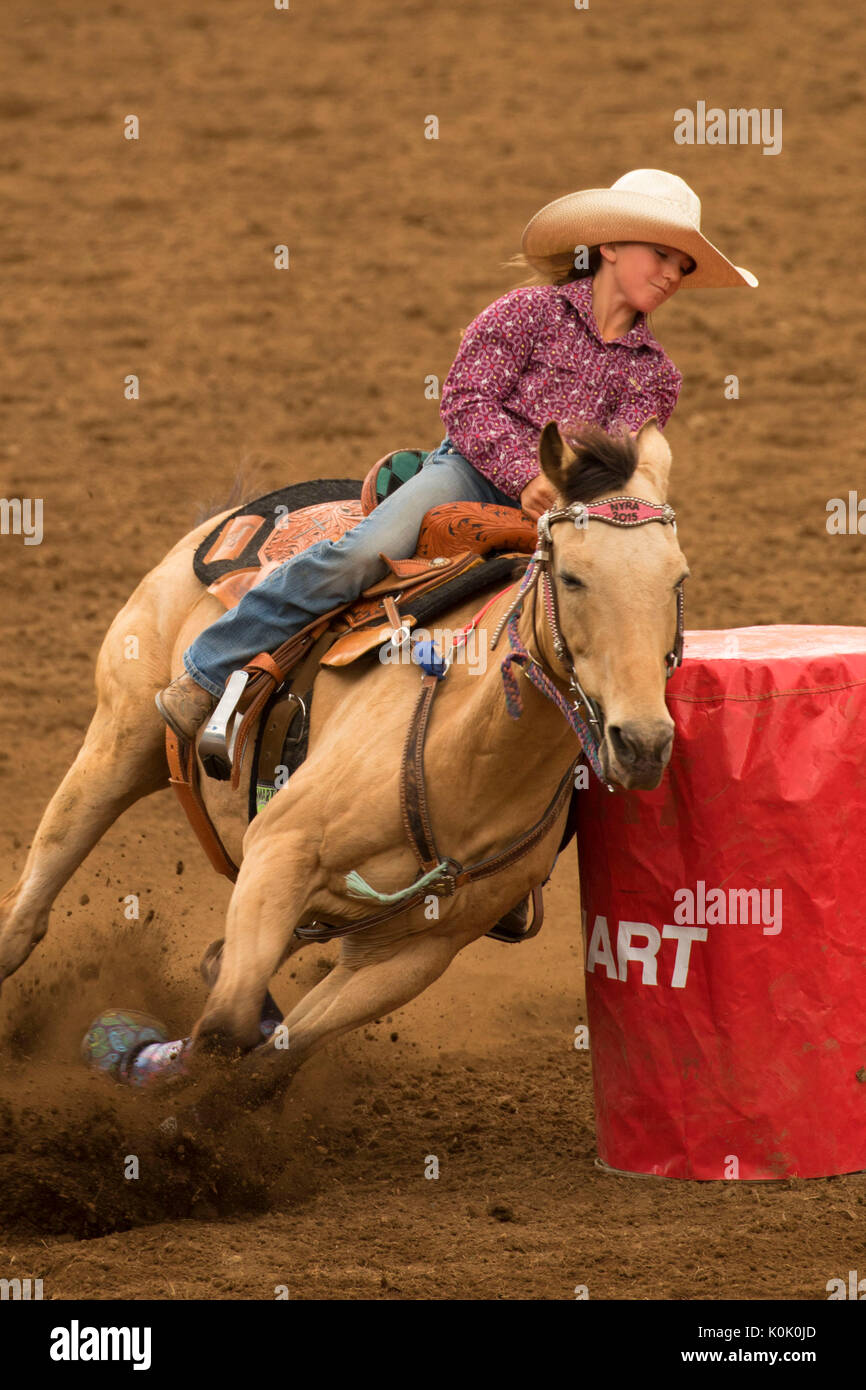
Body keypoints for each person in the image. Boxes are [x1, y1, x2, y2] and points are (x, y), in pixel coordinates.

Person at [156, 168, 757, 739]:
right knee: (361, 554)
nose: (673, 274)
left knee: (618, 599)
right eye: (662, 255)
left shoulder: (657, 375)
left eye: (683, 265)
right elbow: (467, 401)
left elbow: (615, 473)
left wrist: (572, 495)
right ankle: (210, 667)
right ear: (610, 247)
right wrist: (525, 474)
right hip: (469, 475)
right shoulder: (526, 313)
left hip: (570, 511)